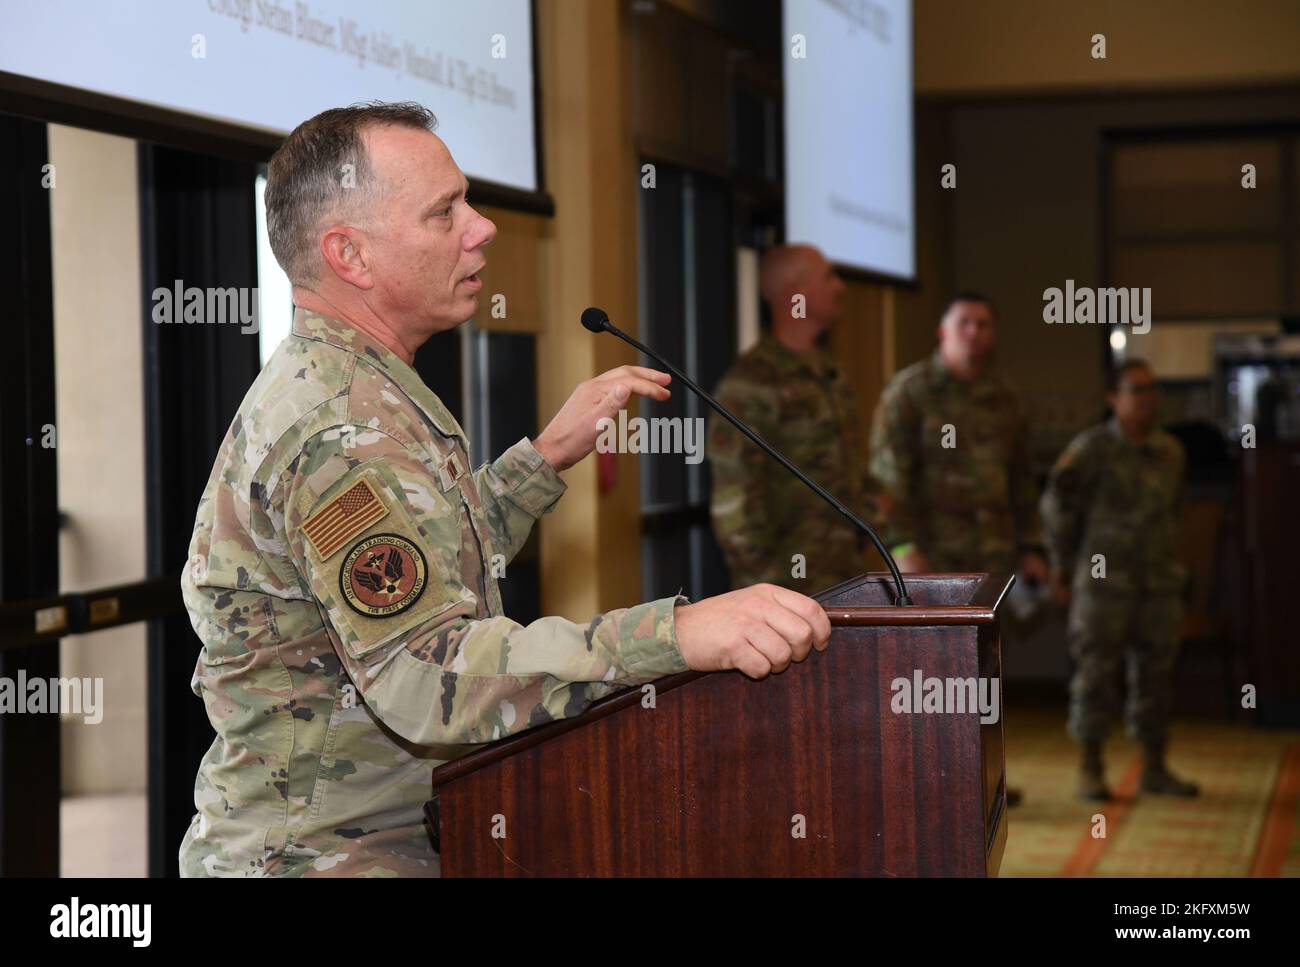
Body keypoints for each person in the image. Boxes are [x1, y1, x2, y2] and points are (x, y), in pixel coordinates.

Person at [179, 102, 831, 877]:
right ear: (350, 255)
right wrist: (675, 635)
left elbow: (425, 573)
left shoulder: (366, 389)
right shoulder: (335, 427)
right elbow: (425, 669)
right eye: (444, 211)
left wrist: (544, 459)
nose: (481, 227)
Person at [869, 293, 1048, 808]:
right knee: (932, 678)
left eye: (984, 324)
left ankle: (982, 779)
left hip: (992, 564)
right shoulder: (910, 393)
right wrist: (902, 548)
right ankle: (932, 786)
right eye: (964, 323)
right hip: (932, 568)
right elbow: (885, 482)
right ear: (942, 333)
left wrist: (1032, 547)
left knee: (985, 673)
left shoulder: (1005, 399)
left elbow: (1022, 484)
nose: (975, 332)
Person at [1040, 358, 1198, 801]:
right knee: (1095, 677)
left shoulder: (1171, 452)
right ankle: (1090, 768)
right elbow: (1057, 509)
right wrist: (1061, 566)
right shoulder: (1091, 449)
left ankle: (1155, 767)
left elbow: (1175, 513)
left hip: (1159, 584)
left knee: (1157, 677)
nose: (1146, 400)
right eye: (1135, 390)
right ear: (1113, 398)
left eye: (1151, 390)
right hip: (1103, 585)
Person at [708, 244, 879, 592]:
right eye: (829, 277)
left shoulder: (832, 373)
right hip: (786, 590)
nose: (840, 287)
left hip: (845, 576)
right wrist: (766, 593)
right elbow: (735, 505)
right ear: (795, 290)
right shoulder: (751, 383)